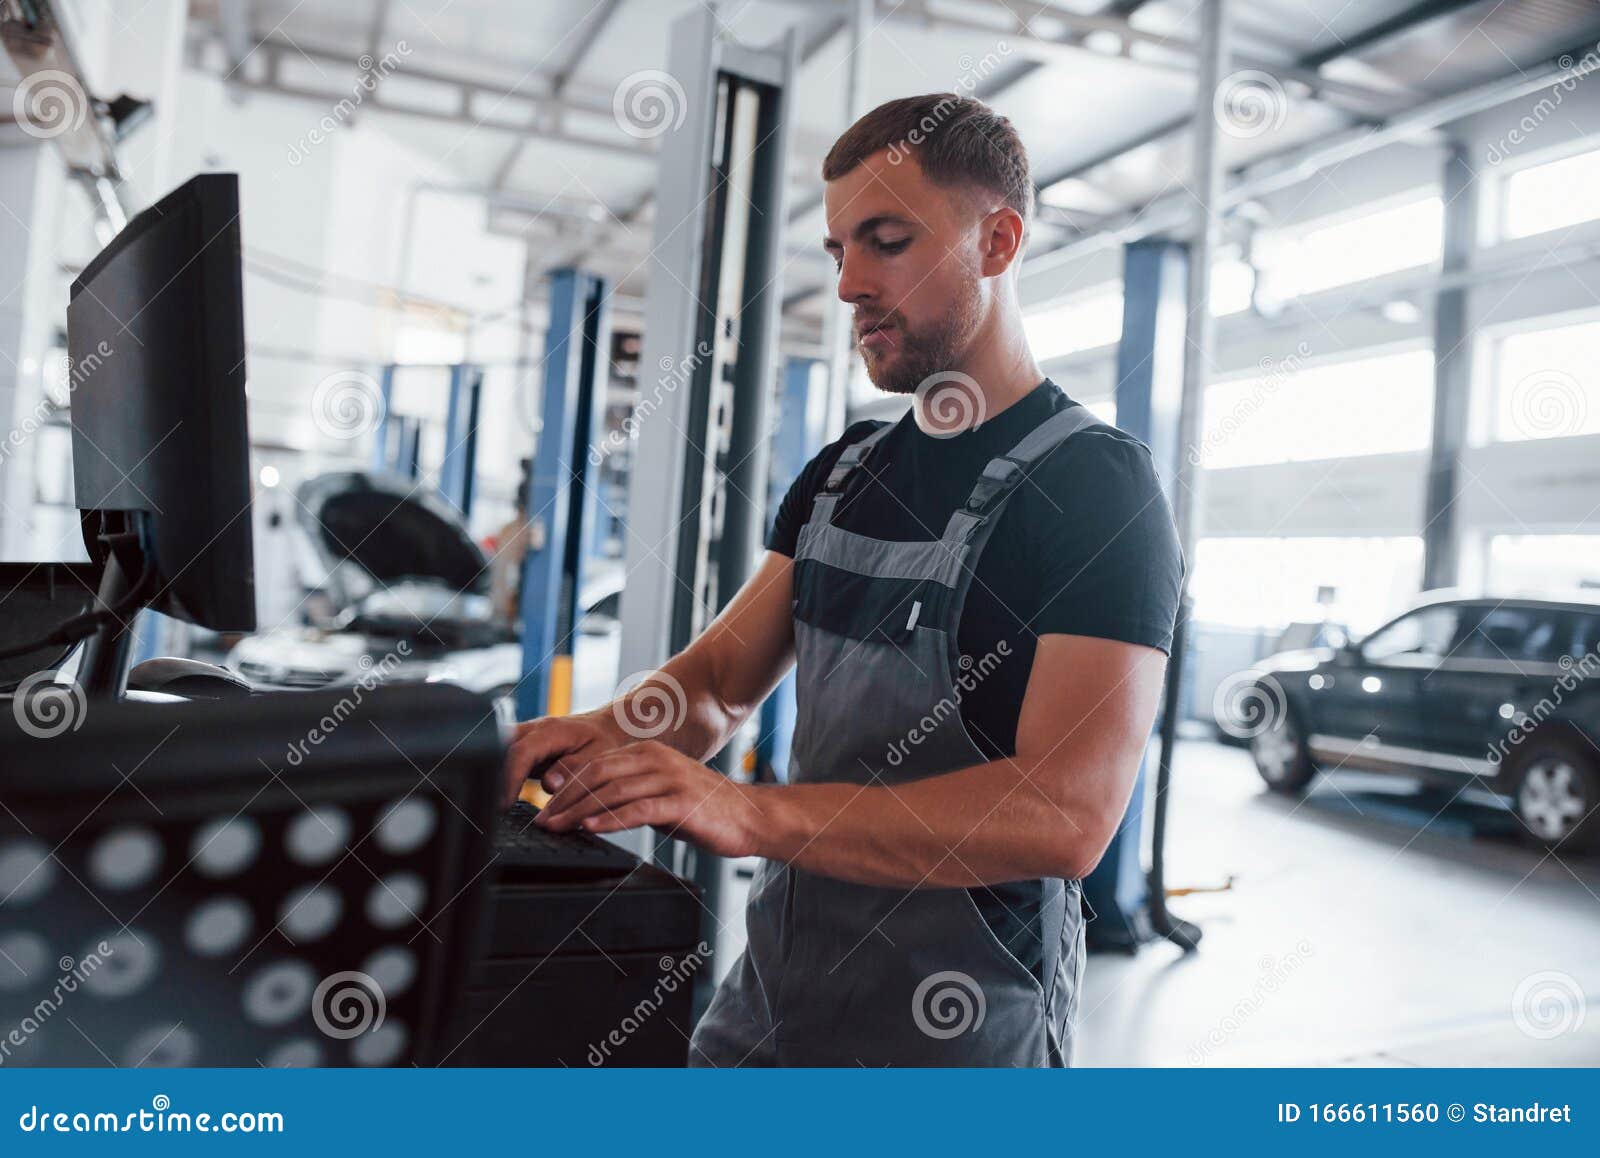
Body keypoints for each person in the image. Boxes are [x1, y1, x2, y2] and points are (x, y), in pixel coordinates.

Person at [502, 93, 1182, 1067]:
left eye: (888, 240)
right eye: (835, 251)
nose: (851, 283)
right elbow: (710, 690)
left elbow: (1065, 812)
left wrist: (745, 810)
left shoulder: (1092, 490)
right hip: (773, 1009)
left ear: (997, 241)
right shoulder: (843, 473)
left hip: (958, 1045)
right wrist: (585, 738)